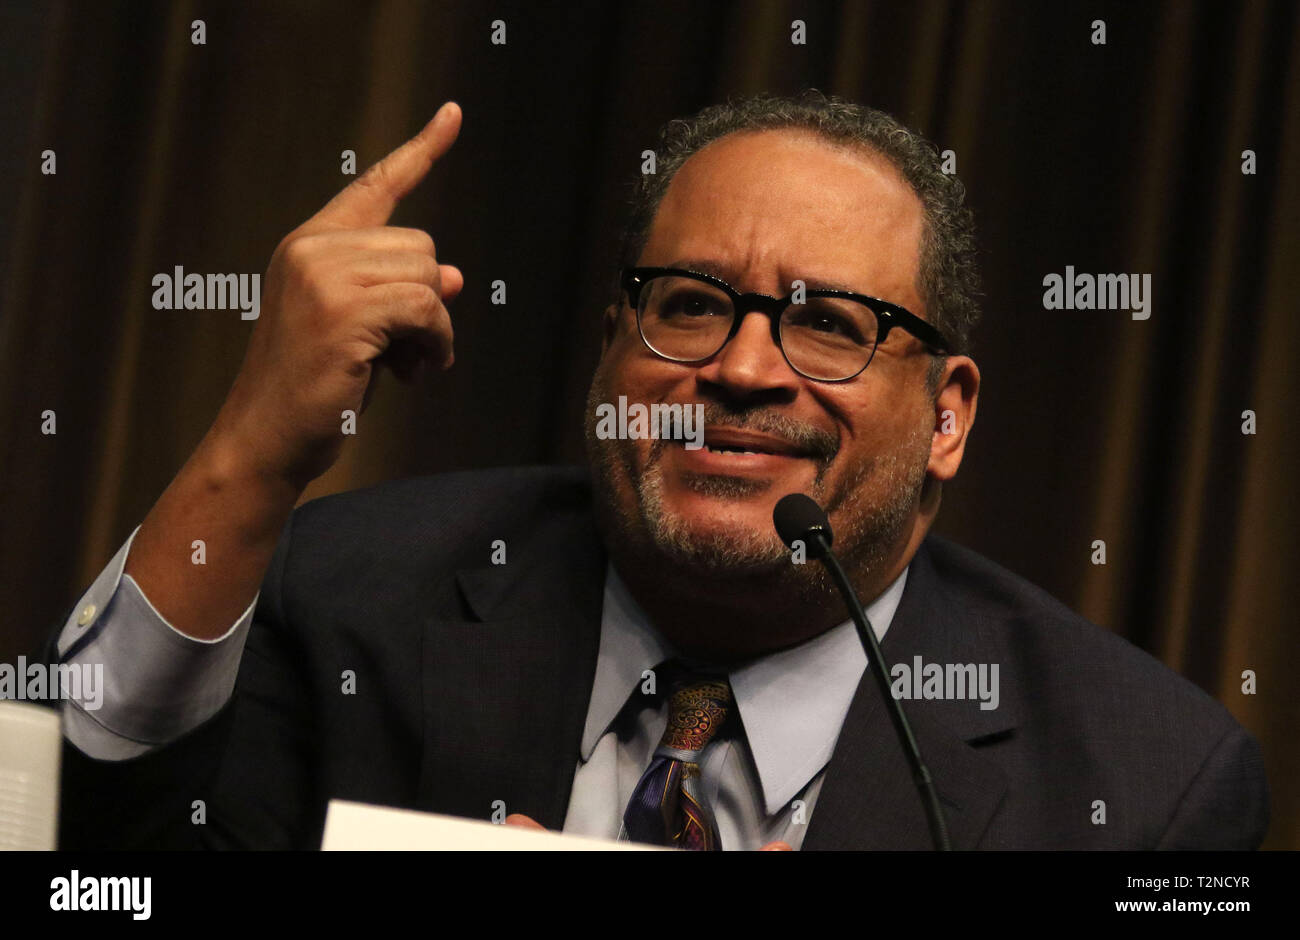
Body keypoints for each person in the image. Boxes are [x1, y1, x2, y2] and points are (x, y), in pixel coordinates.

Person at [46, 90, 1268, 850]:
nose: (741, 369)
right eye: (688, 303)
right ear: (610, 351)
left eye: (827, 325)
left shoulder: (1143, 786)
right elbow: (87, 854)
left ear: (946, 417)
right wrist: (252, 449)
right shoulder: (344, 598)